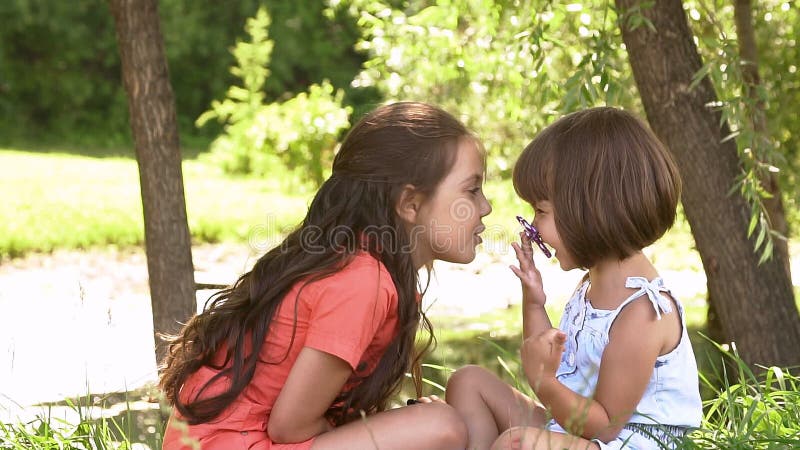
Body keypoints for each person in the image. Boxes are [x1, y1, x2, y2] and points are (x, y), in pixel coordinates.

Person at [160, 101, 492, 450]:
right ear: (410, 204)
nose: (486, 207)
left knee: (435, 424)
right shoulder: (363, 282)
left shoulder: (371, 272)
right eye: (471, 190)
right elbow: (289, 427)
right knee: (441, 427)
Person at [446, 107, 702, 450]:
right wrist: (534, 302)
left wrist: (544, 381)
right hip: (577, 430)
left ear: (591, 211)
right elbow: (550, 355)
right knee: (469, 382)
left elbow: (604, 426)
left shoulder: (642, 313)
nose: (534, 227)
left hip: (622, 443)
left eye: (542, 211)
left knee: (518, 443)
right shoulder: (592, 284)